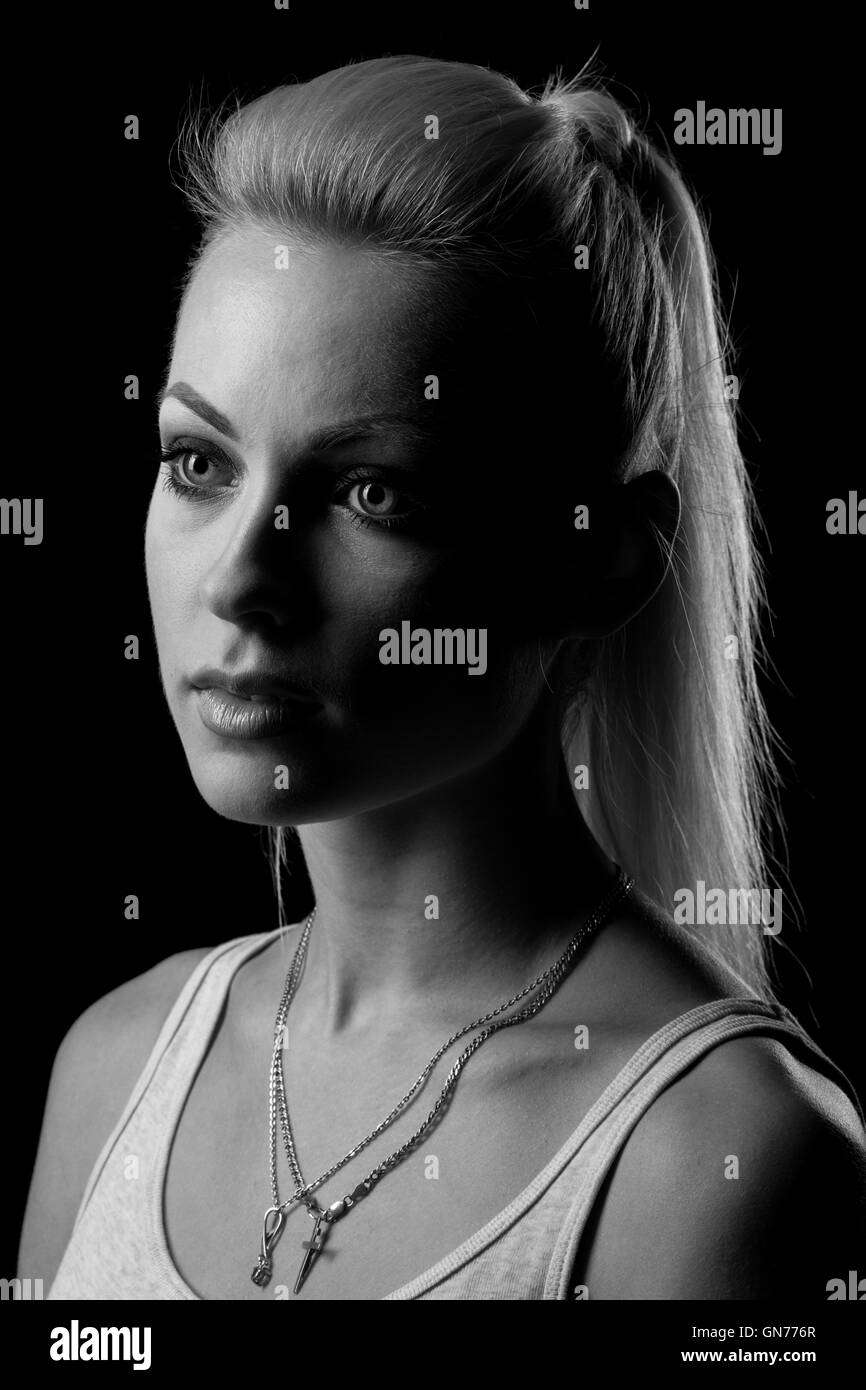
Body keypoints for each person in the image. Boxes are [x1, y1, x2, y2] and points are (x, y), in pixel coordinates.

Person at [20, 55, 865, 1301]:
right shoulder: (111, 1068)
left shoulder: (720, 1156)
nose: (241, 579)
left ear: (603, 561)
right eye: (200, 464)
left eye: (374, 492)